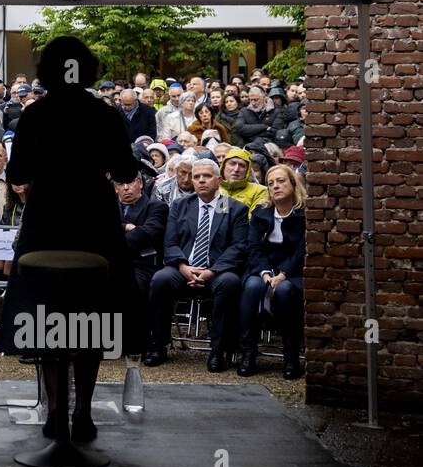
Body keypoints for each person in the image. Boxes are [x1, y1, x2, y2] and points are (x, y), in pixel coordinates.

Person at [0, 37, 141, 444]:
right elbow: (127, 172)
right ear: (88, 70)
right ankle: (83, 413)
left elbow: (18, 171)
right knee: (92, 316)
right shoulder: (105, 114)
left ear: (47, 72)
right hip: (94, 222)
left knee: (46, 314)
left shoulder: (36, 115)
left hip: (48, 220)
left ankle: (55, 412)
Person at [145, 159, 250, 372]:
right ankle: (159, 345)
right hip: (183, 268)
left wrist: (212, 271)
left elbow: (238, 247)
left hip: (217, 271)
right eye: (196, 177)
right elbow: (170, 242)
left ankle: (218, 351)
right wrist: (183, 267)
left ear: (219, 180)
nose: (201, 180)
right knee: (160, 279)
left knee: (230, 283)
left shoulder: (235, 209)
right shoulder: (181, 205)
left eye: (207, 176)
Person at [238, 164, 307, 379]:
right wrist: (265, 273)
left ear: (293, 184)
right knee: (251, 287)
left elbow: (302, 249)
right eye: (270, 183)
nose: (275, 186)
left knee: (285, 291)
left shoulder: (304, 213)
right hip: (264, 269)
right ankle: (248, 353)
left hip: (293, 271)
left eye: (281, 181)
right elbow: (253, 247)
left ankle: (291, 356)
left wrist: (283, 273)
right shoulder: (261, 212)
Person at [114, 174, 168, 348]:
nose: (126, 188)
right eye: (120, 184)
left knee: (133, 284)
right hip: (112, 263)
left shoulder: (156, 207)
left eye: (129, 182)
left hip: (144, 264)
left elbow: (148, 235)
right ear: (115, 188)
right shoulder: (107, 208)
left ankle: (137, 340)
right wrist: (126, 227)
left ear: (140, 183)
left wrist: (110, 239)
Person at [220, 146, 268, 216]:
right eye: (232, 164)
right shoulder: (214, 188)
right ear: (223, 166)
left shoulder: (259, 191)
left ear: (248, 171)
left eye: (242, 166)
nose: (236, 169)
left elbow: (253, 220)